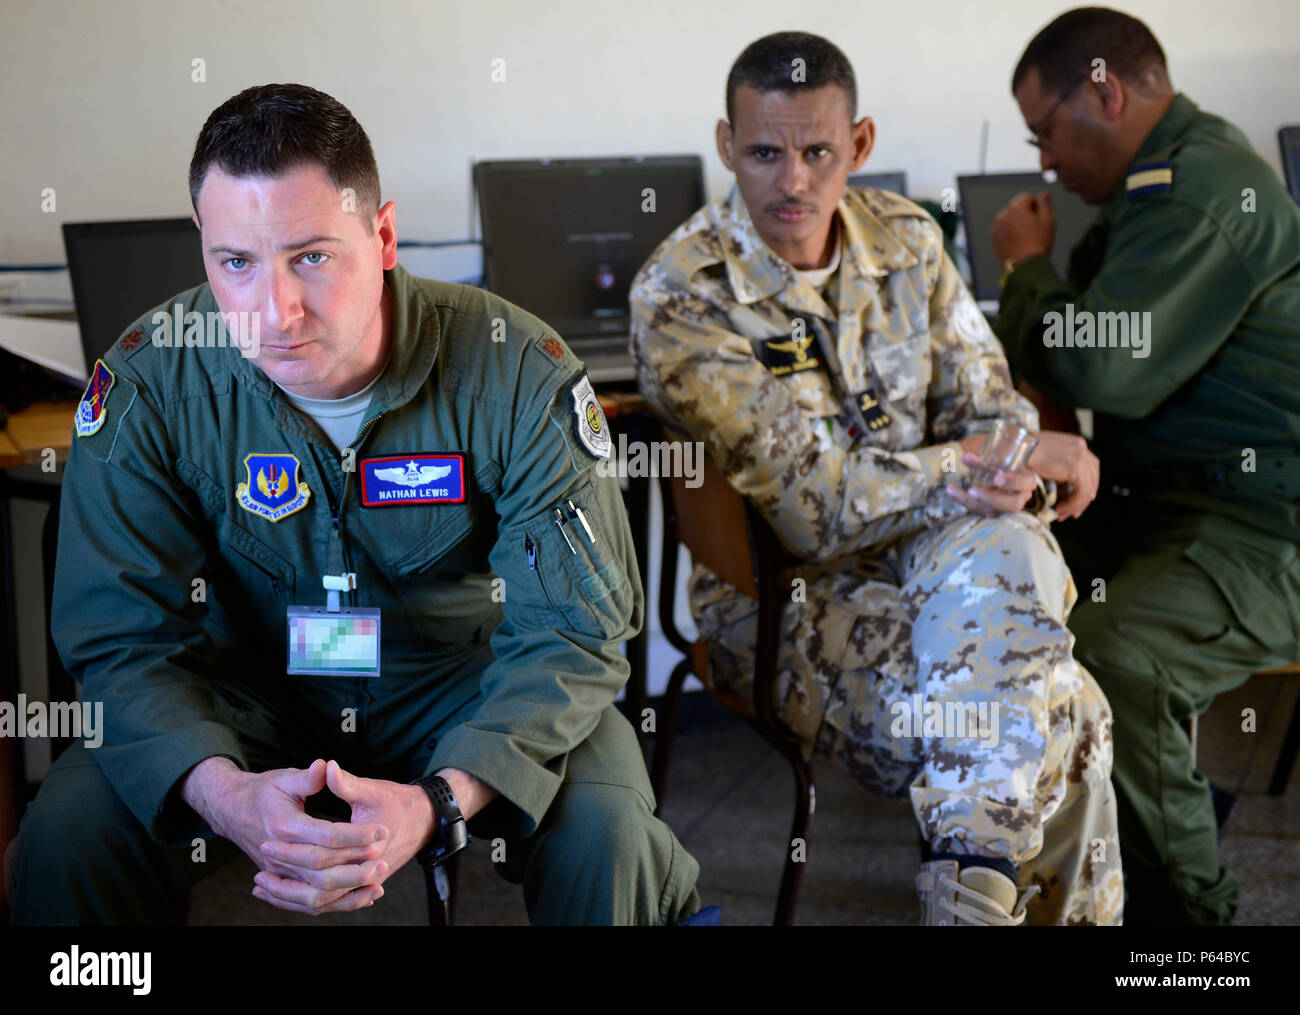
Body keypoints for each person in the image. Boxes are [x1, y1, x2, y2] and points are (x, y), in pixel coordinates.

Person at [7, 83, 703, 926]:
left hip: (460, 682)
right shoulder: (152, 381)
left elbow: (573, 631)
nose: (274, 311)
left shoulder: (516, 367)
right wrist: (222, 792)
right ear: (203, 246)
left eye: (310, 256)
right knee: (67, 834)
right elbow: (122, 638)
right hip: (248, 692)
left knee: (608, 827)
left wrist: (443, 800)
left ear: (381, 236)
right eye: (236, 263)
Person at [631, 31, 1122, 926]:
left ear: (857, 144)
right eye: (766, 152)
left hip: (953, 563)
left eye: (818, 151)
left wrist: (1001, 464)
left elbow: (995, 413)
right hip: (787, 605)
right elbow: (813, 509)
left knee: (1010, 543)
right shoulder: (685, 290)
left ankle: (971, 879)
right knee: (1067, 707)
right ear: (726, 145)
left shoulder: (908, 239)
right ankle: (979, 882)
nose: (793, 181)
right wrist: (986, 465)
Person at [991, 6, 1300, 925]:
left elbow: (1097, 363)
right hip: (1167, 503)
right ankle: (1070, 863)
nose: (1044, 159)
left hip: (1264, 525)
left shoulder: (1203, 192)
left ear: (1104, 92)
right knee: (1007, 597)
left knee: (1121, 653)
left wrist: (1019, 269)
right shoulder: (1148, 190)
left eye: (1044, 130)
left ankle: (1195, 933)